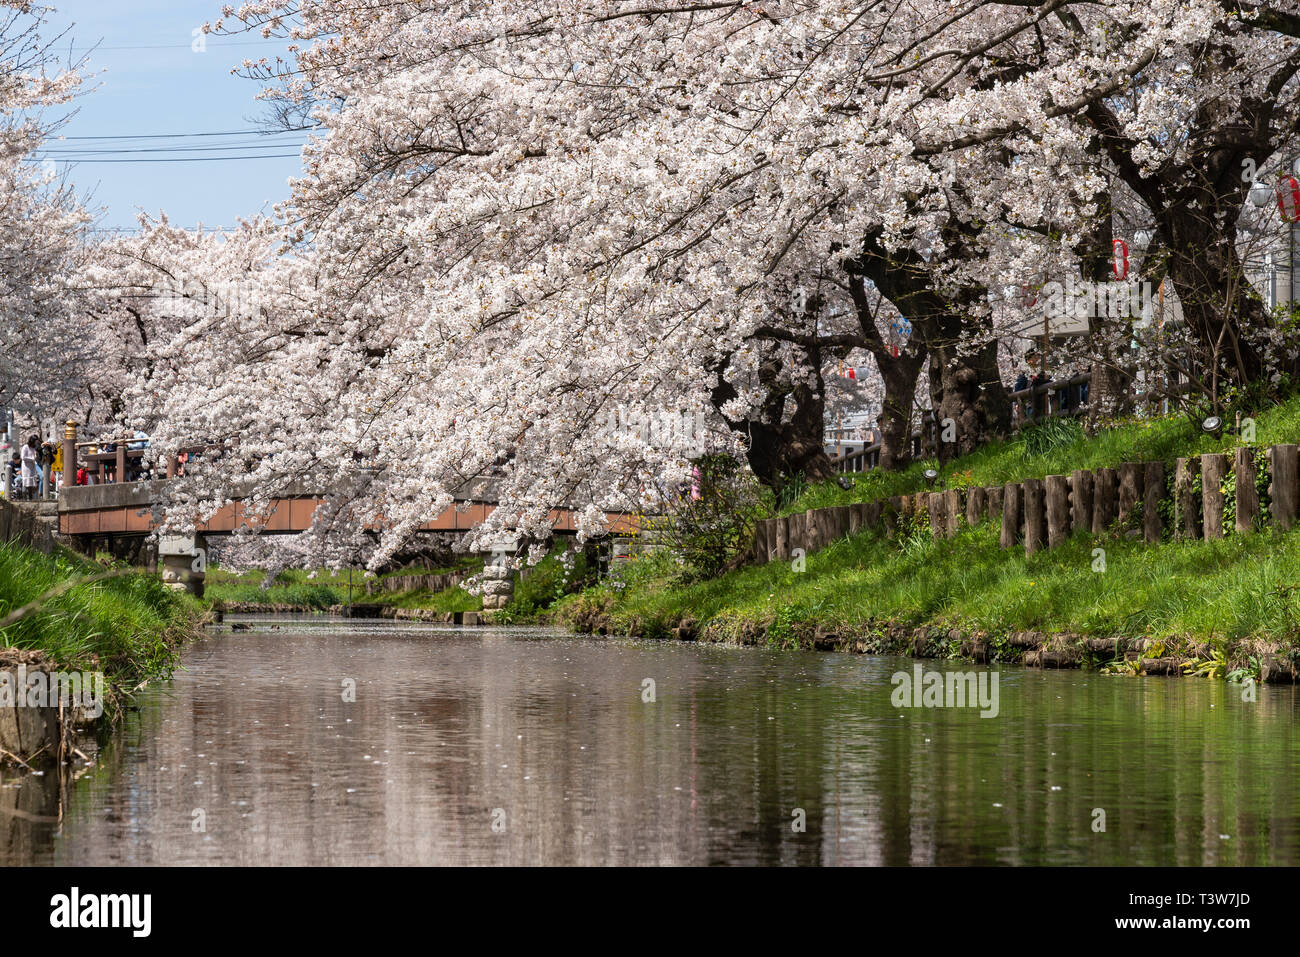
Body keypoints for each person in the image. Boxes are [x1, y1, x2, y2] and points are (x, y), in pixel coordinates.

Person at [20, 435, 39, 501]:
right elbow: (23, 457)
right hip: (26, 467)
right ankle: (24, 498)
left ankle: (31, 499)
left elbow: (34, 457)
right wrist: (32, 459)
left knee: (31, 484)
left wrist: (35, 457)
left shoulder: (33, 448)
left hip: (32, 467)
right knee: (25, 483)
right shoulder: (25, 447)